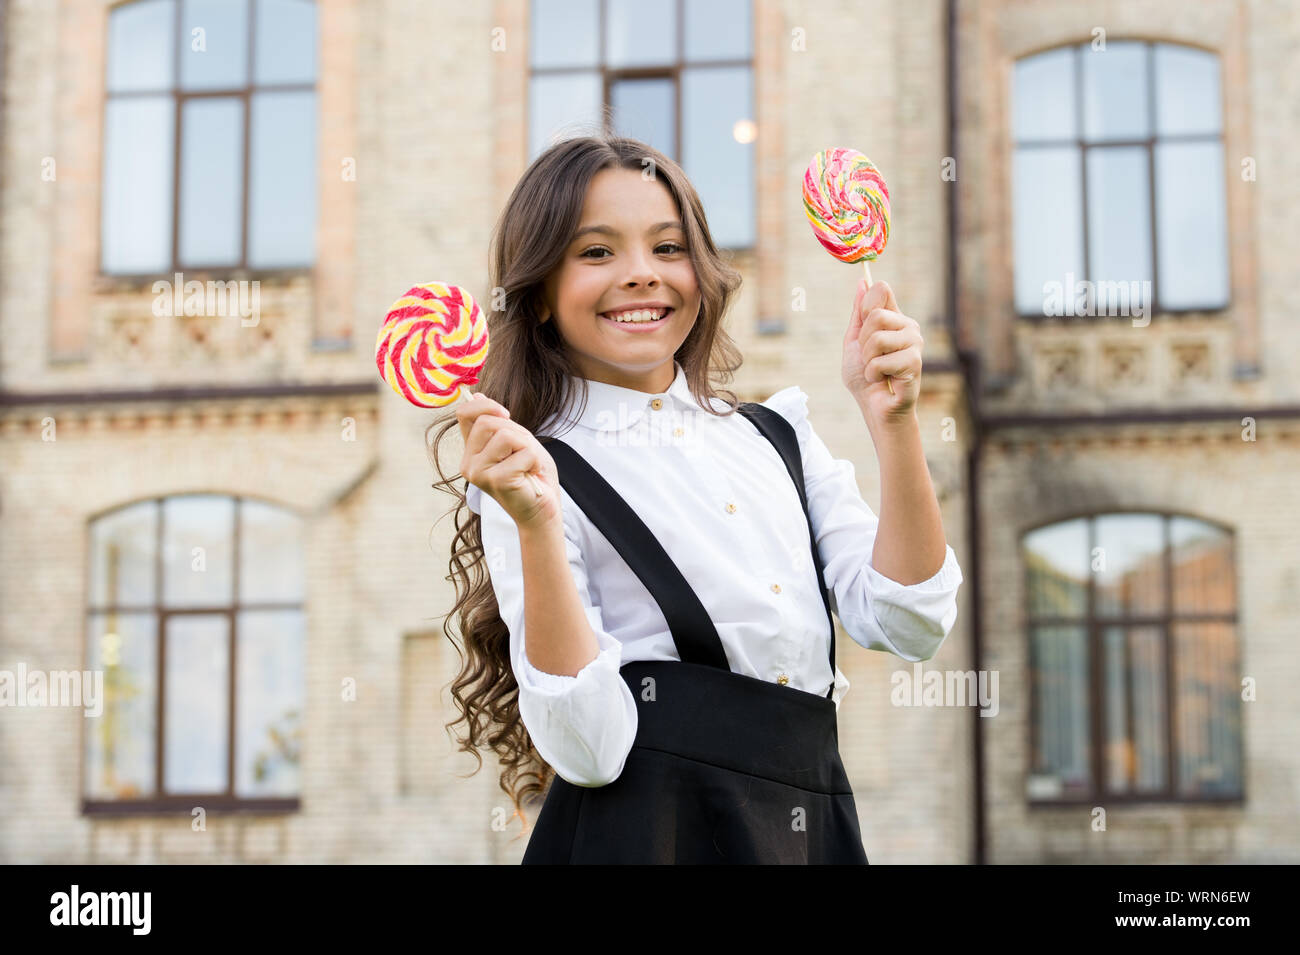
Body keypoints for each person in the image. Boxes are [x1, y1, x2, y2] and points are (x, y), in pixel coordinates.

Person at [428, 133, 963, 864]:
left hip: (809, 830)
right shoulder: (530, 473)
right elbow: (589, 744)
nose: (641, 275)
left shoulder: (778, 438)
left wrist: (893, 423)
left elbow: (912, 621)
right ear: (542, 295)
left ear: (702, 271)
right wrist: (536, 520)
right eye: (596, 253)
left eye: (669, 247)